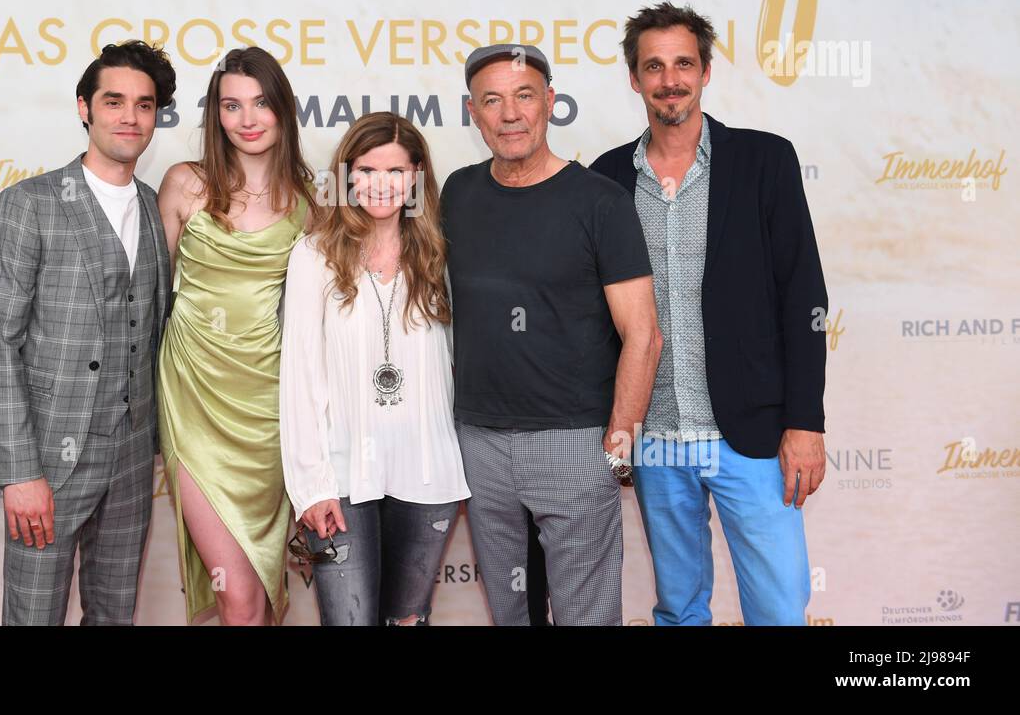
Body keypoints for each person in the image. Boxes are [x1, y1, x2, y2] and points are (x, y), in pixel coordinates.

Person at [589, 2, 828, 626]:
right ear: (634, 78)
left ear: (706, 71)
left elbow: (804, 297)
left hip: (751, 435)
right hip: (655, 437)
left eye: (684, 63)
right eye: (654, 66)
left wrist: (805, 423)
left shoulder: (764, 161)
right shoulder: (606, 178)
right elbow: (594, 318)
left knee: (778, 608)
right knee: (680, 609)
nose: (670, 79)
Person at [441, 43, 662, 626]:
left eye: (524, 96)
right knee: (509, 611)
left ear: (550, 104)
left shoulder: (600, 202)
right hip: (480, 441)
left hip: (575, 441)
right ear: (474, 112)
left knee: (585, 614)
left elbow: (643, 334)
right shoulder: (457, 195)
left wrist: (618, 444)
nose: (509, 113)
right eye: (492, 100)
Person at [0, 39, 176, 625]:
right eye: (114, 101)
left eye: (144, 104)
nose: (130, 116)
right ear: (84, 107)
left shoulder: (152, 204)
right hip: (46, 463)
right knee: (34, 616)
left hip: (133, 458)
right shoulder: (28, 204)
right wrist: (20, 473)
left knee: (114, 615)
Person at [280, 112, 470, 626]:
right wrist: (311, 486)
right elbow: (299, 377)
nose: (381, 185)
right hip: (341, 477)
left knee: (408, 620)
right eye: (366, 170)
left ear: (416, 178)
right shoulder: (314, 255)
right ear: (345, 176)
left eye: (396, 171)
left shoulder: (441, 255)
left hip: (427, 473)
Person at [156, 46, 316, 625]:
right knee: (237, 597)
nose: (247, 119)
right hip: (195, 403)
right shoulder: (184, 186)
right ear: (215, 115)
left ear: (283, 110)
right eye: (231, 105)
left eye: (260, 103)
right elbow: (146, 301)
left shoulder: (308, 207)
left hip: (269, 411)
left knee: (263, 592)